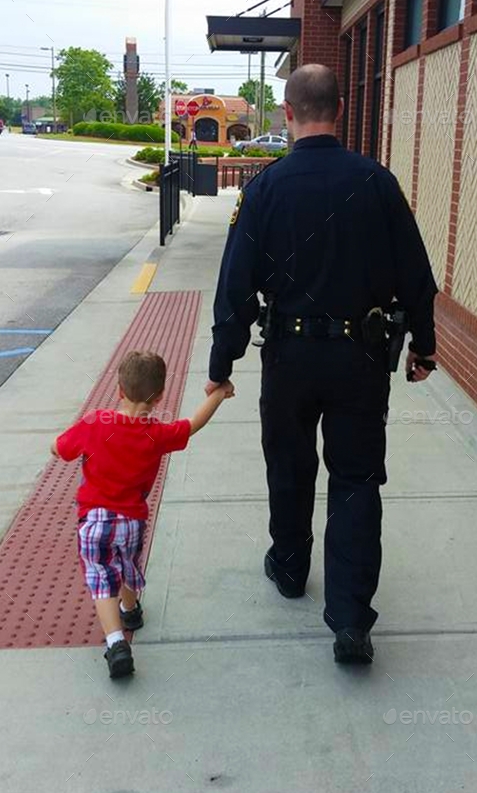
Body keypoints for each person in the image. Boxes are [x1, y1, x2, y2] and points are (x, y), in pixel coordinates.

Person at [207, 63, 438, 665]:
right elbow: (418, 277)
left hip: (289, 357)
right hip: (360, 357)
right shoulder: (378, 182)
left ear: (287, 113)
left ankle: (289, 569)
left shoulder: (265, 190)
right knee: (357, 480)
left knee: (289, 465)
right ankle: (352, 621)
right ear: (338, 108)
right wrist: (424, 346)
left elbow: (235, 287)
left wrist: (221, 361)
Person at [53, 351, 233, 678]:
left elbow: (61, 448)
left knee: (101, 576)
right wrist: (219, 394)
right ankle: (131, 610)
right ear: (161, 395)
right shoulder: (156, 434)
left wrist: (55, 445)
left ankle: (116, 642)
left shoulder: (94, 423)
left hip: (94, 520)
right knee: (126, 564)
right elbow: (193, 425)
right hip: (132, 521)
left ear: (119, 390)